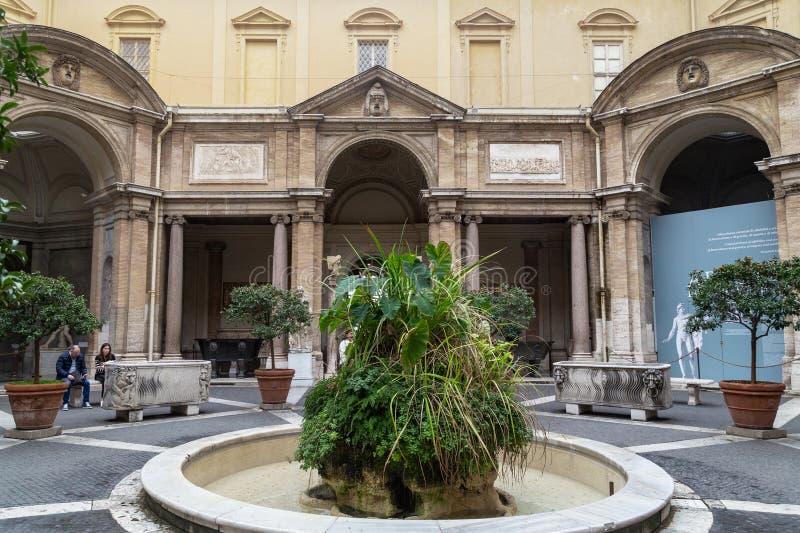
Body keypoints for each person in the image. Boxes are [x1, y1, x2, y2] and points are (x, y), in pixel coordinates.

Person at [662, 303, 697, 379]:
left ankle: (693, 374)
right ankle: (683, 374)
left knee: (691, 356)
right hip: (679, 336)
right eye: (681, 308)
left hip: (687, 335)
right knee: (681, 356)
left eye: (683, 307)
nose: (683, 309)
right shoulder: (676, 319)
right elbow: (673, 330)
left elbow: (694, 325)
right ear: (678, 310)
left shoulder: (688, 316)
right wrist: (668, 338)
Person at [56, 344, 92, 410]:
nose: (78, 354)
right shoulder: (63, 356)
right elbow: (58, 368)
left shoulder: (80, 356)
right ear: (71, 351)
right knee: (68, 383)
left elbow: (83, 367)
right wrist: (67, 375)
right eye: (76, 353)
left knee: (87, 383)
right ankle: (65, 403)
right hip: (65, 376)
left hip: (77, 376)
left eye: (79, 352)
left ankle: (86, 402)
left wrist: (84, 373)